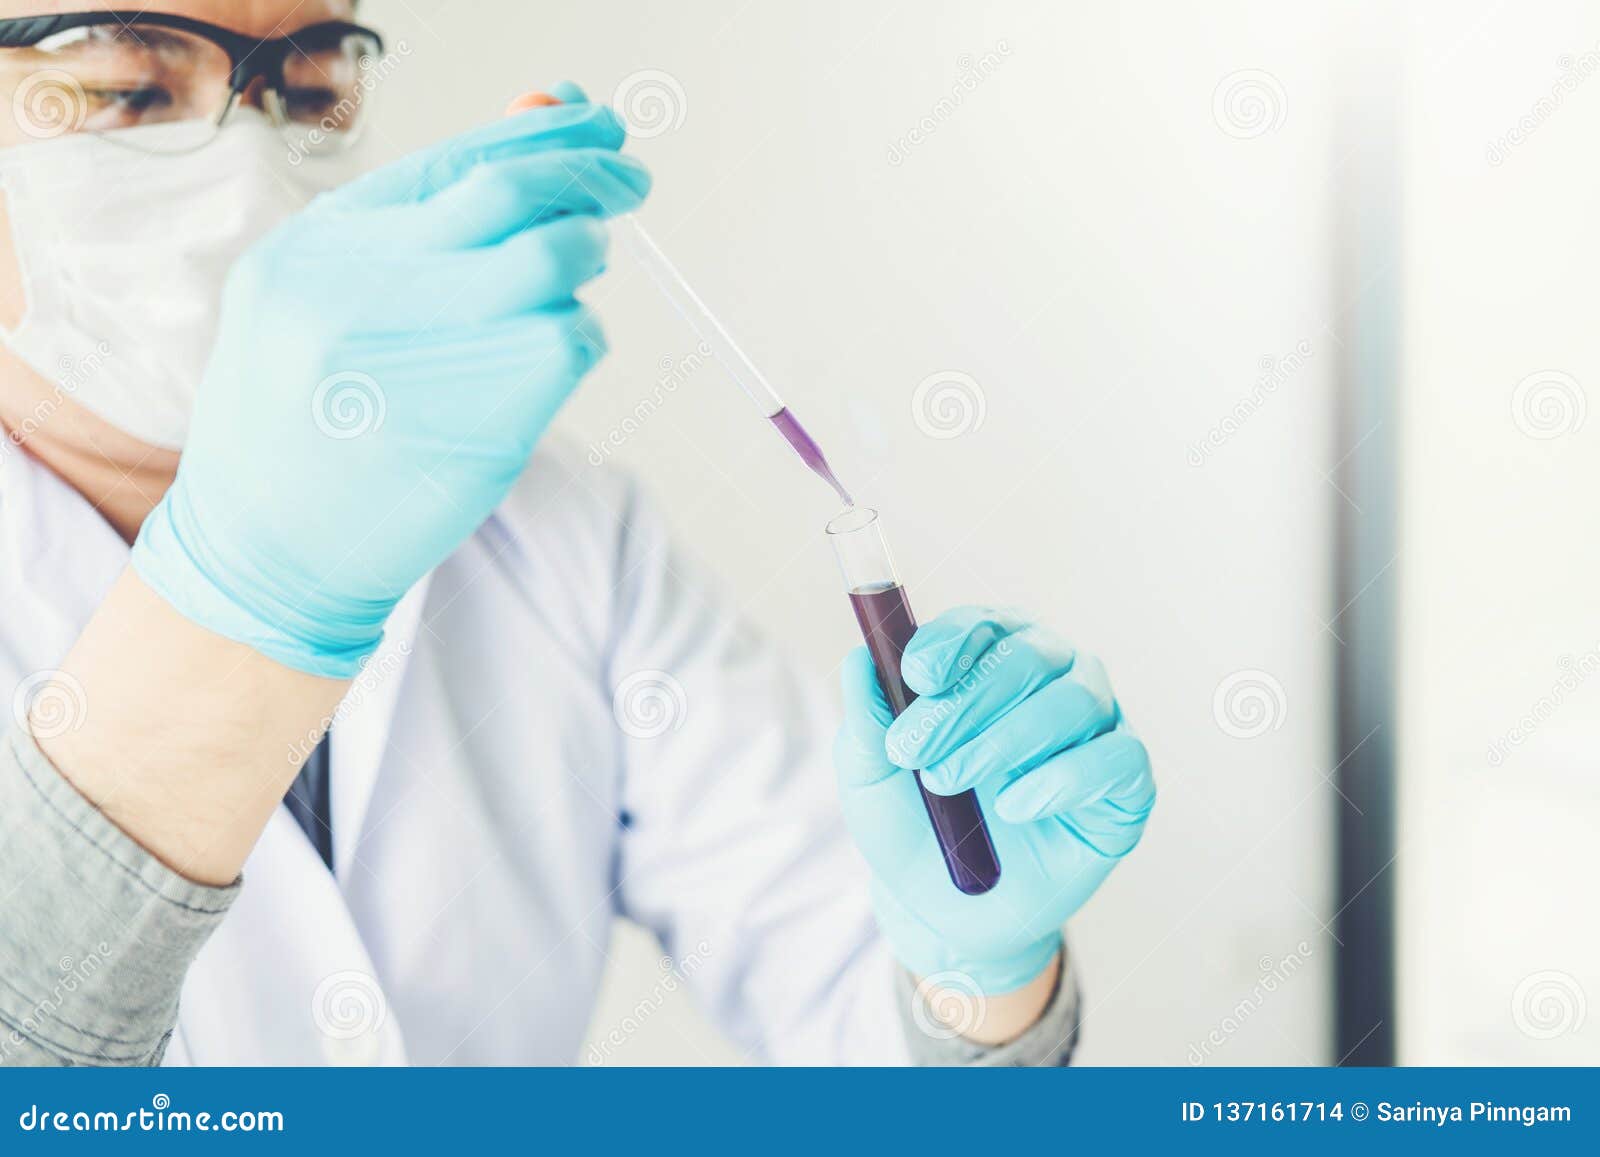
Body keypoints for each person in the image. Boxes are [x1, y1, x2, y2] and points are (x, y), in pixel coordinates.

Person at [0, 0, 1155, 1067]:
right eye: (125, 90)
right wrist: (244, 607)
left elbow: (872, 1025)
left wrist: (973, 967)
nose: (246, 163)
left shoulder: (553, 536)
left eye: (303, 90)